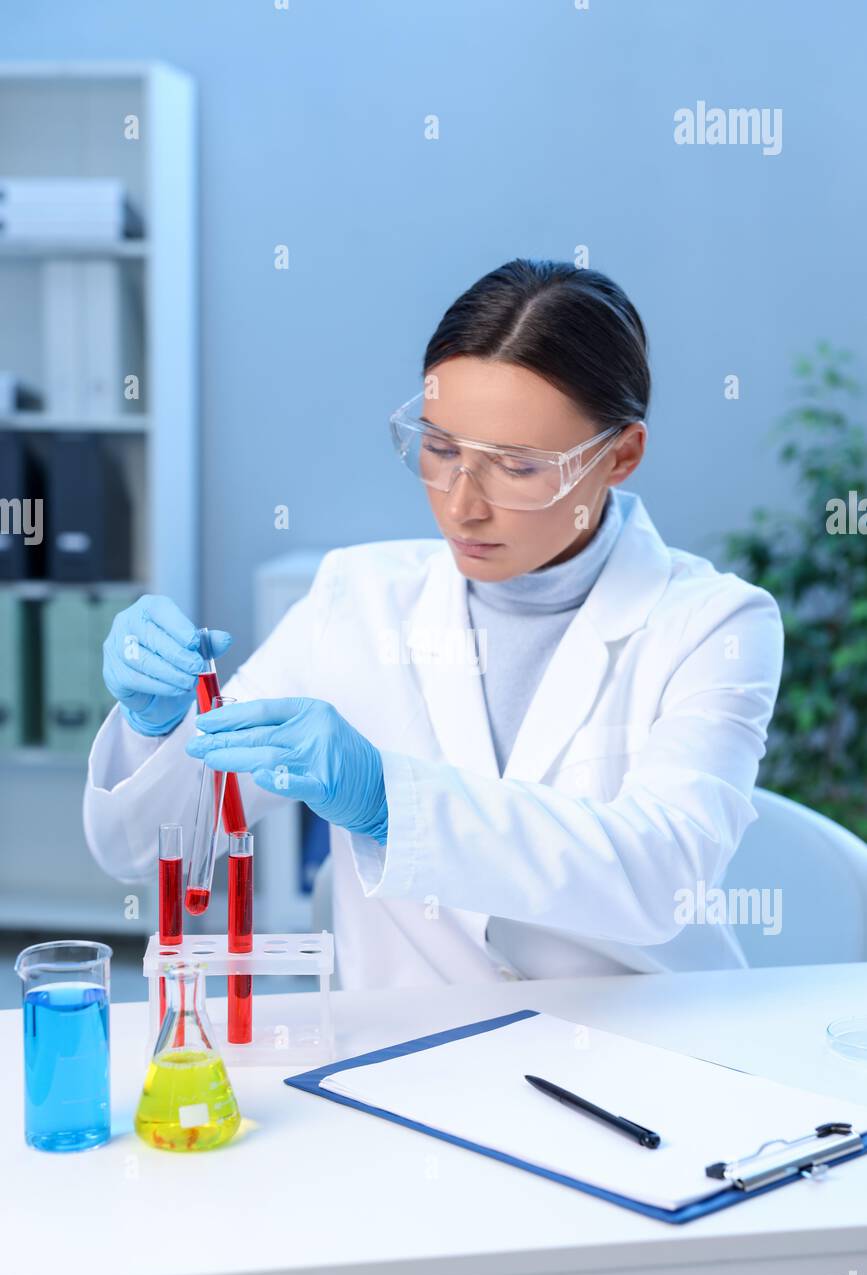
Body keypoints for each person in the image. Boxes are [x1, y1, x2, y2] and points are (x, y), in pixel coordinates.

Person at [85, 259, 784, 988]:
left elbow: (660, 876)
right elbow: (149, 849)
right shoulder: (353, 599)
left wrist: (388, 800)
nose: (460, 505)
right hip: (406, 1062)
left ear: (621, 455)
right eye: (441, 449)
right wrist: (152, 729)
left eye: (516, 467)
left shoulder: (713, 623)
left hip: (644, 1052)